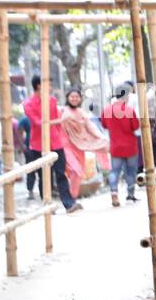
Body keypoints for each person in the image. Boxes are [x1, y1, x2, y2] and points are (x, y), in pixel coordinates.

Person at [22, 75, 79, 211]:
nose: (51, 87)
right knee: (44, 176)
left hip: (55, 142)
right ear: (39, 86)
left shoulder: (52, 100)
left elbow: (55, 121)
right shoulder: (28, 104)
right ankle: (47, 206)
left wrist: (58, 127)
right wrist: (57, 122)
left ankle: (68, 204)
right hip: (38, 145)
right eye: (49, 84)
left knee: (61, 174)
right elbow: (37, 123)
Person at [60, 89, 111, 200]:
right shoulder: (62, 111)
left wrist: (101, 138)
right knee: (75, 170)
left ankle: (71, 198)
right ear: (67, 98)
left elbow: (91, 127)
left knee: (79, 173)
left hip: (79, 146)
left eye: (77, 97)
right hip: (66, 146)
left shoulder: (82, 113)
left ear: (80, 99)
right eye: (72, 96)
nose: (74, 99)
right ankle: (69, 198)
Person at [102, 82, 141, 207]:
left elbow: (104, 125)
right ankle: (130, 194)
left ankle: (114, 192)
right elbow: (136, 126)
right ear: (126, 96)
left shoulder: (107, 110)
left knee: (114, 171)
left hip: (115, 146)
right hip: (130, 146)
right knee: (130, 171)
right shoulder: (129, 110)